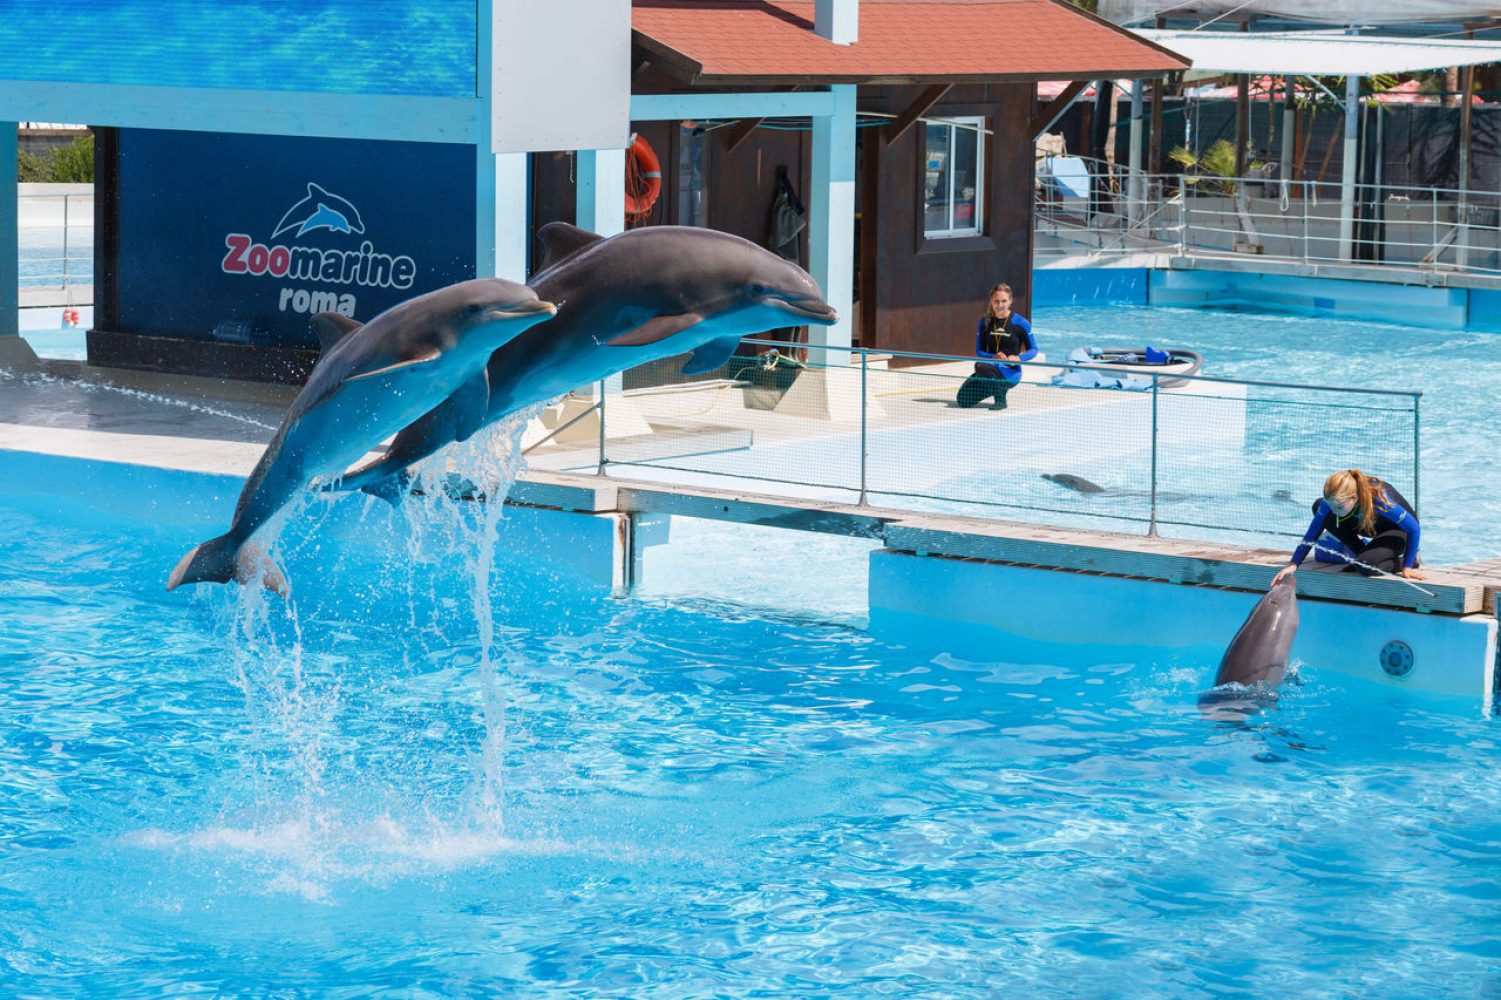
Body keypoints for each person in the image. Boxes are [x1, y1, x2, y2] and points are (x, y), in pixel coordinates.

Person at [1271, 469, 1426, 587]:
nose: (1334, 510)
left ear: (1354, 497)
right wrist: (1293, 564)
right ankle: (1361, 553)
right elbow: (1312, 534)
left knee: (1366, 567)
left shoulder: (1379, 500)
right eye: (1331, 504)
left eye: (1338, 506)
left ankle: (1412, 561)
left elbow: (1414, 528)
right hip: (1371, 526)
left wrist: (1406, 567)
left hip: (1397, 531)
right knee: (1319, 507)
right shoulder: (1333, 502)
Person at [956, 283, 1037, 410]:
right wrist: (994, 356)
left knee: (980, 365)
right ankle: (993, 385)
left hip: (1010, 373)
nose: (1000, 305)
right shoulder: (985, 322)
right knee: (963, 400)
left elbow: (1034, 349)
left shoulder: (1021, 323)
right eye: (996, 301)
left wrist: (1019, 358)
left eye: (1004, 301)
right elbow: (979, 352)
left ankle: (1000, 399)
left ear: (1010, 301)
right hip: (989, 369)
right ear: (991, 301)